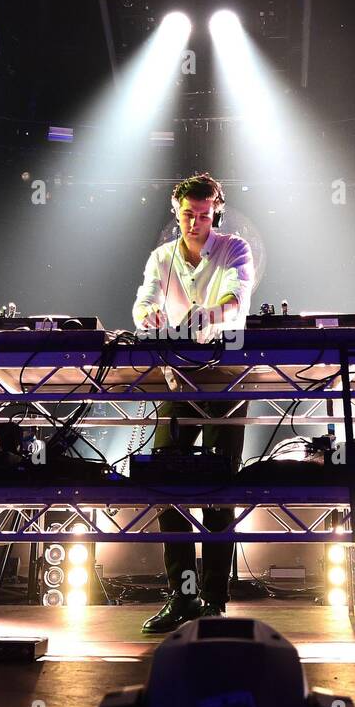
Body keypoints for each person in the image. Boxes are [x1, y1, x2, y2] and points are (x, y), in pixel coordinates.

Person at [132, 172, 255, 634]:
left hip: (226, 380)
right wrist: (150, 315)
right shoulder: (161, 258)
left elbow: (235, 299)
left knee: (219, 492)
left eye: (204, 215)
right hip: (178, 381)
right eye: (188, 215)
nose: (196, 223)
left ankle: (215, 600)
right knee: (168, 486)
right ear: (175, 210)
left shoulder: (234, 249)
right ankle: (182, 597)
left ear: (215, 212)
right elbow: (142, 305)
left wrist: (204, 315)